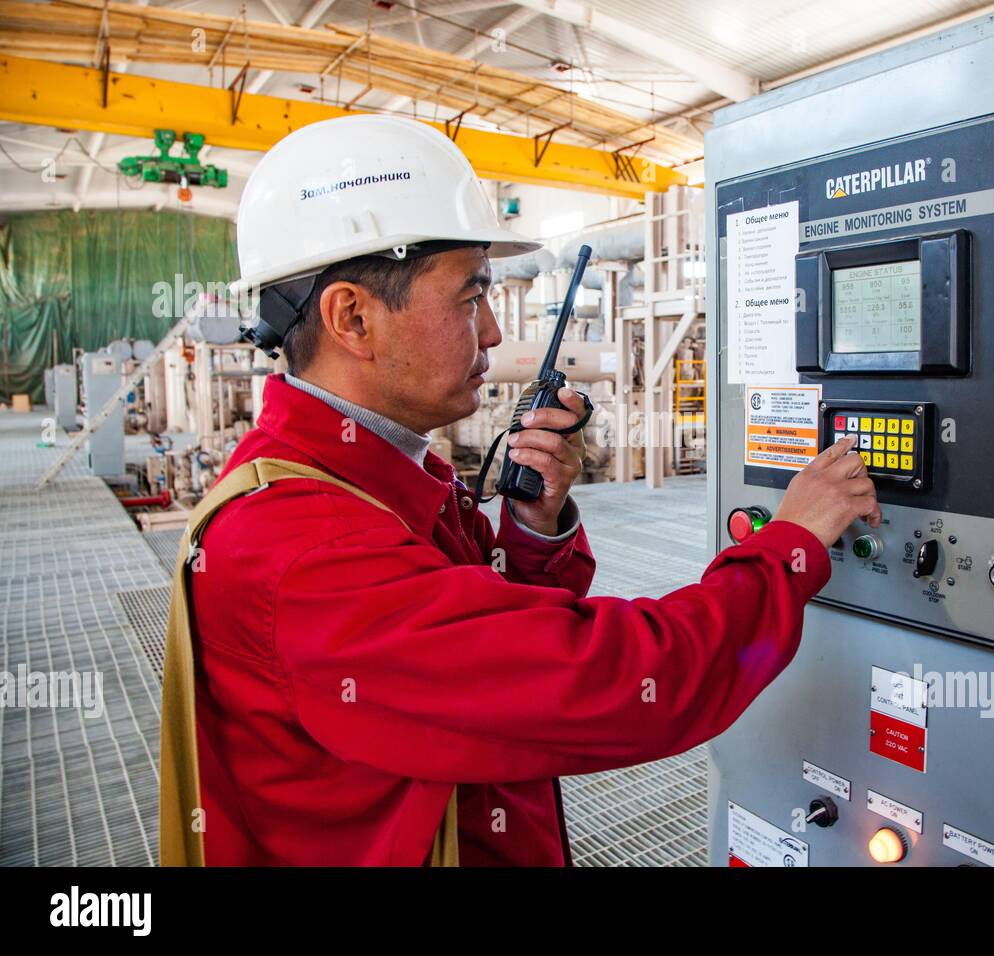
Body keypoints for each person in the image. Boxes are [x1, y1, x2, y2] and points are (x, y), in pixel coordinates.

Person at [161, 114, 881, 866]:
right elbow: (619, 687)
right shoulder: (308, 550)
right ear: (353, 317)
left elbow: (489, 638)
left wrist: (534, 529)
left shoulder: (375, 479)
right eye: (470, 298)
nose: (497, 333)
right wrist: (789, 547)